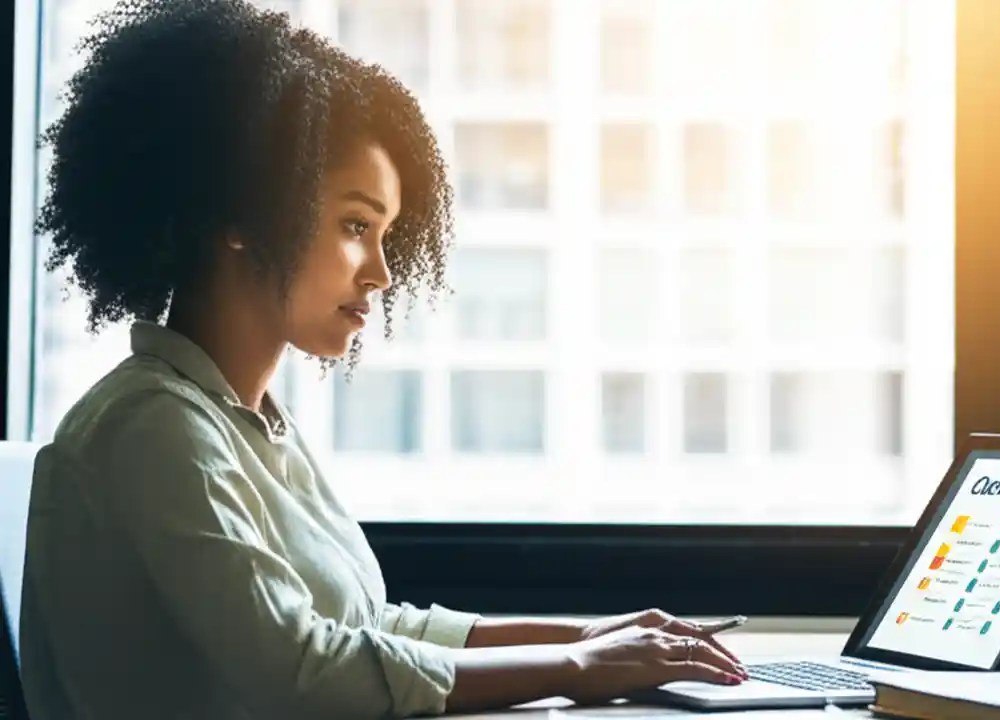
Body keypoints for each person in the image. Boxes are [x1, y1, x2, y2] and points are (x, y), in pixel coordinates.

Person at [18, 1, 747, 717]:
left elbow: (366, 627)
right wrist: (573, 667)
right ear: (238, 215)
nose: (381, 272)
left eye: (386, 233)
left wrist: (591, 637)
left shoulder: (246, 425)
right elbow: (302, 669)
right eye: (355, 225)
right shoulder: (152, 430)